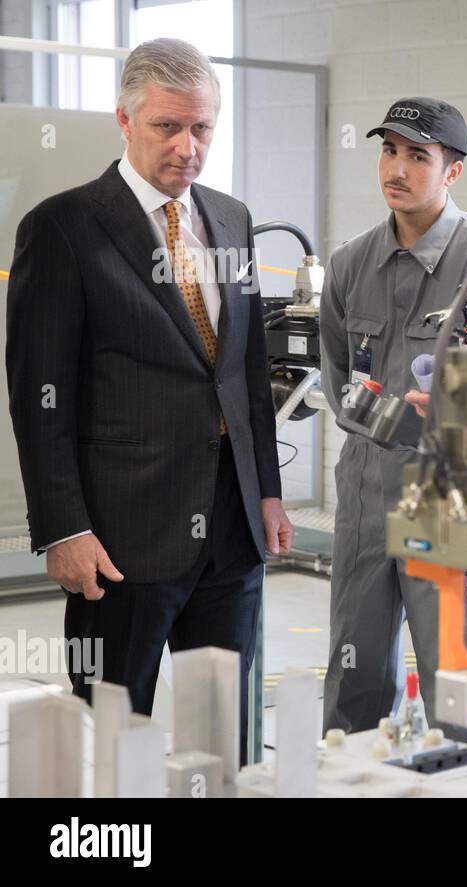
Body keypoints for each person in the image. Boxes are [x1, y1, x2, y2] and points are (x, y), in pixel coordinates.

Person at [5, 38, 291, 757]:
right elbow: (40, 398)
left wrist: (267, 494)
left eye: (202, 129)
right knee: (114, 734)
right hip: (119, 536)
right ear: (125, 122)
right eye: (168, 126)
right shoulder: (65, 226)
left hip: (230, 531)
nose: (188, 147)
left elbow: (246, 371)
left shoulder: (231, 219)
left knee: (220, 735)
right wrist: (62, 527)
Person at [319, 97, 467, 736]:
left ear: (453, 171)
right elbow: (338, 383)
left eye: (417, 155)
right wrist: (388, 421)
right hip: (366, 490)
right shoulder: (348, 265)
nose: (397, 168)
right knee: (354, 671)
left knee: (457, 680)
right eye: (389, 150)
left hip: (447, 498)